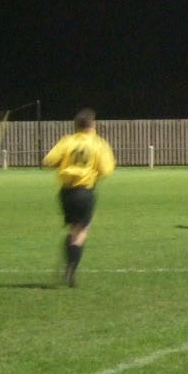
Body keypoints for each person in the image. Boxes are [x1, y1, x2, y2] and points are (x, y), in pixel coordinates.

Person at [42, 108, 116, 287]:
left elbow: (48, 161)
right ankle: (71, 269)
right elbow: (106, 170)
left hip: (65, 192)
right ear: (93, 124)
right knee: (82, 231)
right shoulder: (98, 143)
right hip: (85, 191)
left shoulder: (67, 141)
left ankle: (69, 262)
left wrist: (64, 165)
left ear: (76, 125)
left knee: (74, 229)